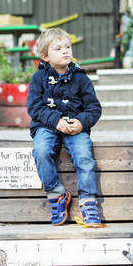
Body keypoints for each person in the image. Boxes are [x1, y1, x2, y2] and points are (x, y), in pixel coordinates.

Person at [27, 28, 102, 227]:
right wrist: (55, 121)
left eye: (67, 47)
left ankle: (88, 200)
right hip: (47, 125)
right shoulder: (38, 78)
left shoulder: (81, 78)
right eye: (58, 48)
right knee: (41, 151)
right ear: (45, 56)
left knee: (84, 156)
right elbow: (34, 107)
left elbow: (94, 107)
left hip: (74, 125)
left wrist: (82, 122)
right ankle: (56, 194)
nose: (65, 51)